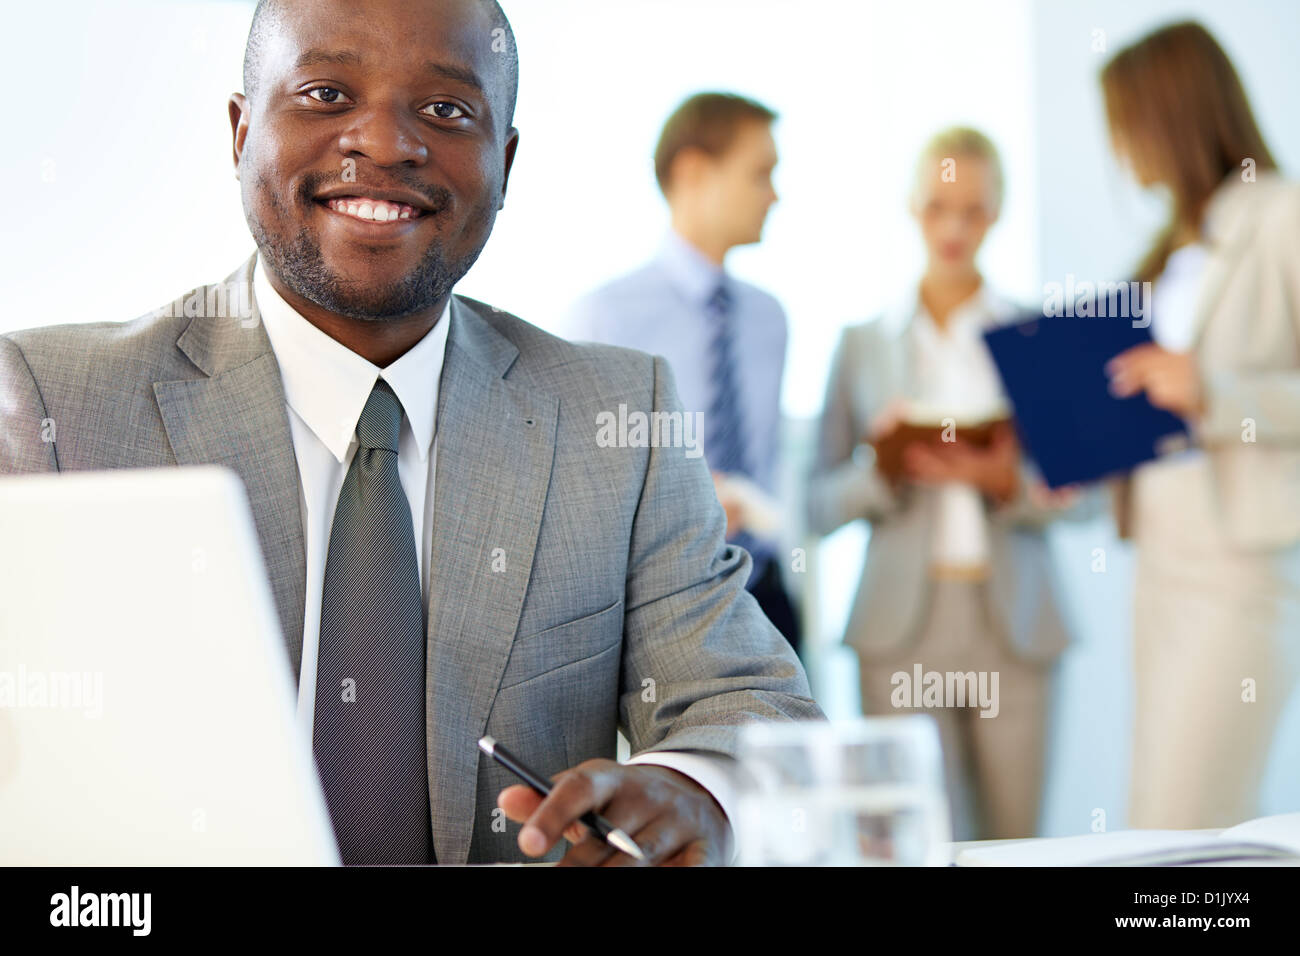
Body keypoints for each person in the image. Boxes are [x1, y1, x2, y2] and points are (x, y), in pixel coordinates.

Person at [0, 0, 822, 866]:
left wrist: (691, 789)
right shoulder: (51, 406)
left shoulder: (620, 419)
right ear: (241, 133)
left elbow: (748, 703)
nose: (387, 144)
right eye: (324, 92)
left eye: (446, 111)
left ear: (504, 164)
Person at [807, 127, 1084, 841]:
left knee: (1018, 844)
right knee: (904, 842)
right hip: (900, 631)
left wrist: (1005, 479)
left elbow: (1084, 497)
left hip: (1014, 626)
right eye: (938, 206)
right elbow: (815, 501)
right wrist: (883, 472)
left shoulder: (1035, 337)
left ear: (998, 214)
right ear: (912, 209)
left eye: (975, 210)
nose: (955, 227)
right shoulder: (863, 344)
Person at [1100, 21, 1300, 830]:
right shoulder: (1175, 245)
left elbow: (1216, 394)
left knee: (1193, 819)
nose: (1121, 152)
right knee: (1153, 815)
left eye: (1127, 126)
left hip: (1236, 562)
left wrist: (1212, 390)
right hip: (1160, 555)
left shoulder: (1281, 214)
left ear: (1171, 114)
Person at [566, 92, 802, 656]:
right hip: (666, 601)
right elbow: (583, 485)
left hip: (767, 592)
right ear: (693, 171)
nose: (775, 194)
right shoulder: (608, 316)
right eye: (760, 174)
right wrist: (689, 500)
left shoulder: (770, 318)